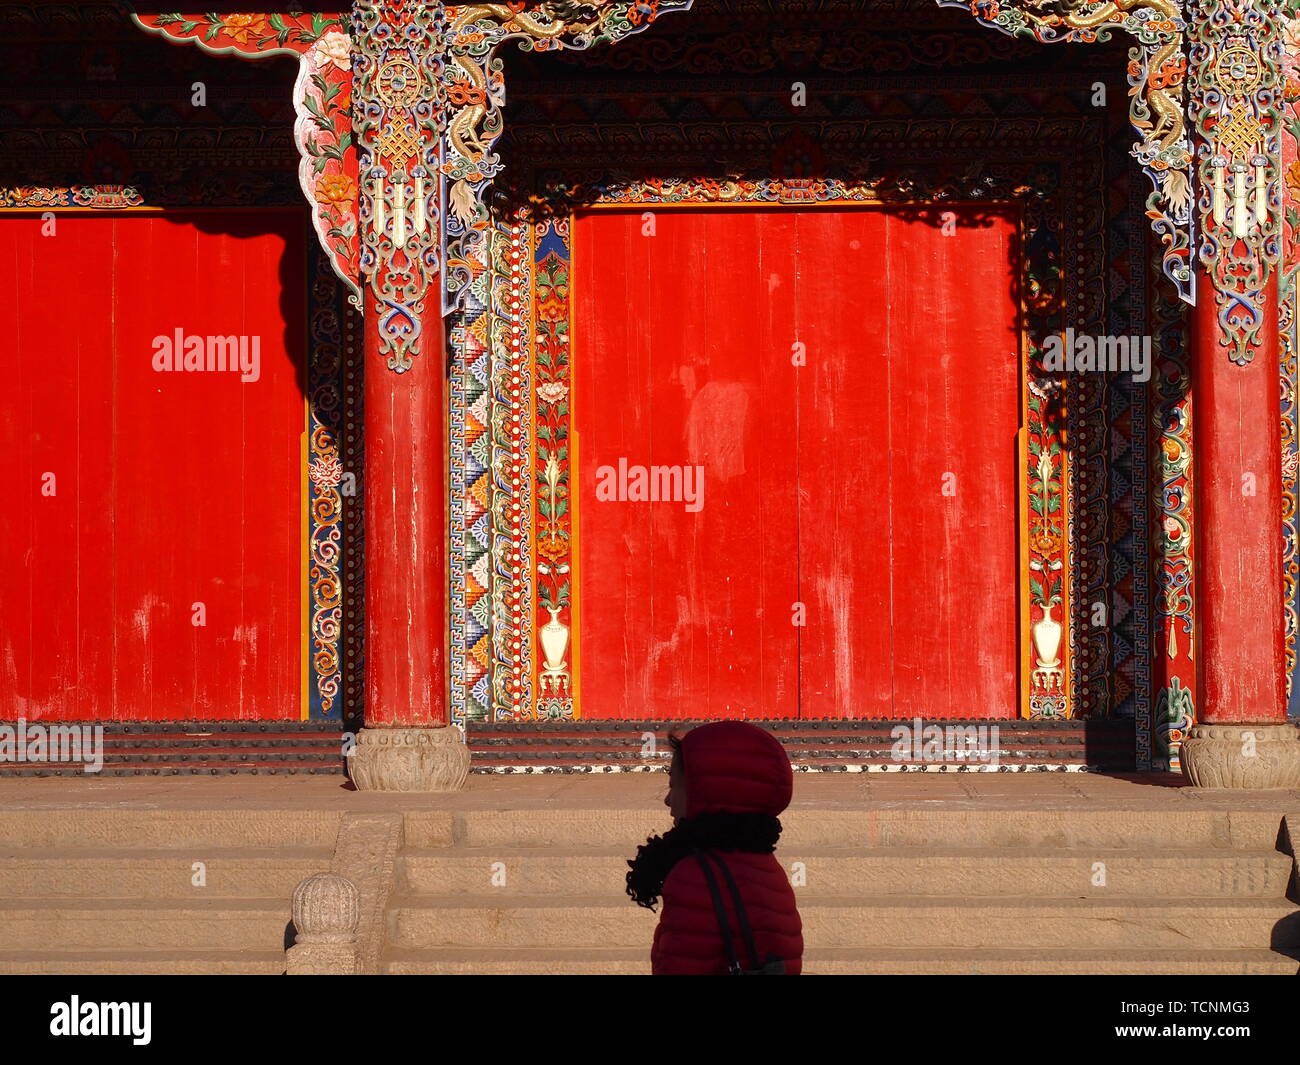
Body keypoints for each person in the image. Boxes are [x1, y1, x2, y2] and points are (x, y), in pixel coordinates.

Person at [625, 720, 803, 974]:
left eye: (674, 785)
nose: (668, 800)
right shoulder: (767, 869)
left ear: (704, 792)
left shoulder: (696, 875)